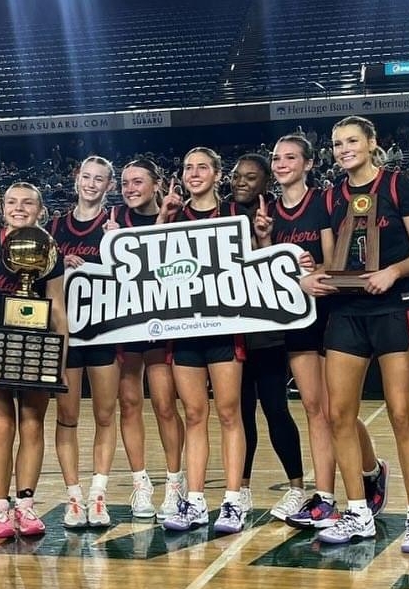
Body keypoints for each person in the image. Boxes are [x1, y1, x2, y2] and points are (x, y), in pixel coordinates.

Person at [301, 115, 409, 551]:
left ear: (372, 142)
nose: (343, 149)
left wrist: (392, 272)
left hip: (396, 307)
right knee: (339, 413)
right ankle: (358, 511)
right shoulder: (328, 197)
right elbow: (329, 262)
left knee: (400, 413)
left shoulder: (399, 186)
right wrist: (314, 277)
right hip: (347, 311)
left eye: (352, 141)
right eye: (337, 144)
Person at [0, 183, 66, 539]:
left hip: (36, 351)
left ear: (40, 210)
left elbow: (58, 312)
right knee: (3, 426)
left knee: (33, 425)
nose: (19, 208)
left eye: (28, 203)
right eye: (12, 202)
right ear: (2, 207)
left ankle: (25, 504)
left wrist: (60, 360)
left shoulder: (49, 249)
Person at [157, 147, 249, 534]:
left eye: (202, 167)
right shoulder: (173, 217)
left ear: (217, 174)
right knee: (194, 415)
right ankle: (194, 501)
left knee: (229, 413)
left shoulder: (234, 215)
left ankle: (232, 501)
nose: (194, 173)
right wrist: (162, 219)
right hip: (183, 329)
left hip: (226, 327)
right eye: (188, 167)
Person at [224, 152, 308, 520]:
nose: (242, 181)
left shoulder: (272, 214)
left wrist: (264, 238)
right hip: (229, 329)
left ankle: (297, 488)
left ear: (265, 183)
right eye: (237, 175)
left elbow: (281, 271)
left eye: (251, 177)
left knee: (276, 409)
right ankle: (240, 489)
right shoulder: (218, 215)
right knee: (241, 414)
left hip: (266, 331)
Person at [262, 134, 338, 529]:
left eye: (291, 157)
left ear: (308, 163)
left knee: (334, 409)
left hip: (328, 314)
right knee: (314, 407)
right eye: (277, 157)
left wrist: (316, 271)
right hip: (293, 321)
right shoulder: (267, 213)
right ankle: (324, 495)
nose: (281, 163)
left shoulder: (323, 202)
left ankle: (368, 471)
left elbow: (333, 262)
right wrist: (262, 238)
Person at [108, 158, 186, 519]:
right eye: (124, 183)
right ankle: (141, 482)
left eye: (137, 181)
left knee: (165, 404)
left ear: (157, 184)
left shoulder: (178, 217)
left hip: (163, 322)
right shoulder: (112, 223)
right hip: (126, 322)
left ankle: (175, 481)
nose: (129, 188)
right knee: (128, 402)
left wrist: (164, 220)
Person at [49, 155, 123, 527]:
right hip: (66, 335)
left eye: (100, 179)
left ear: (109, 186)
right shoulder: (55, 226)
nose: (92, 184)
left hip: (105, 333)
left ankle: (98, 495)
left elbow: (135, 278)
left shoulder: (116, 226)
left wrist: (117, 248)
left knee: (105, 416)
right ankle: (73, 497)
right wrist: (62, 261)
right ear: (76, 178)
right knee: (67, 417)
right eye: (87, 176)